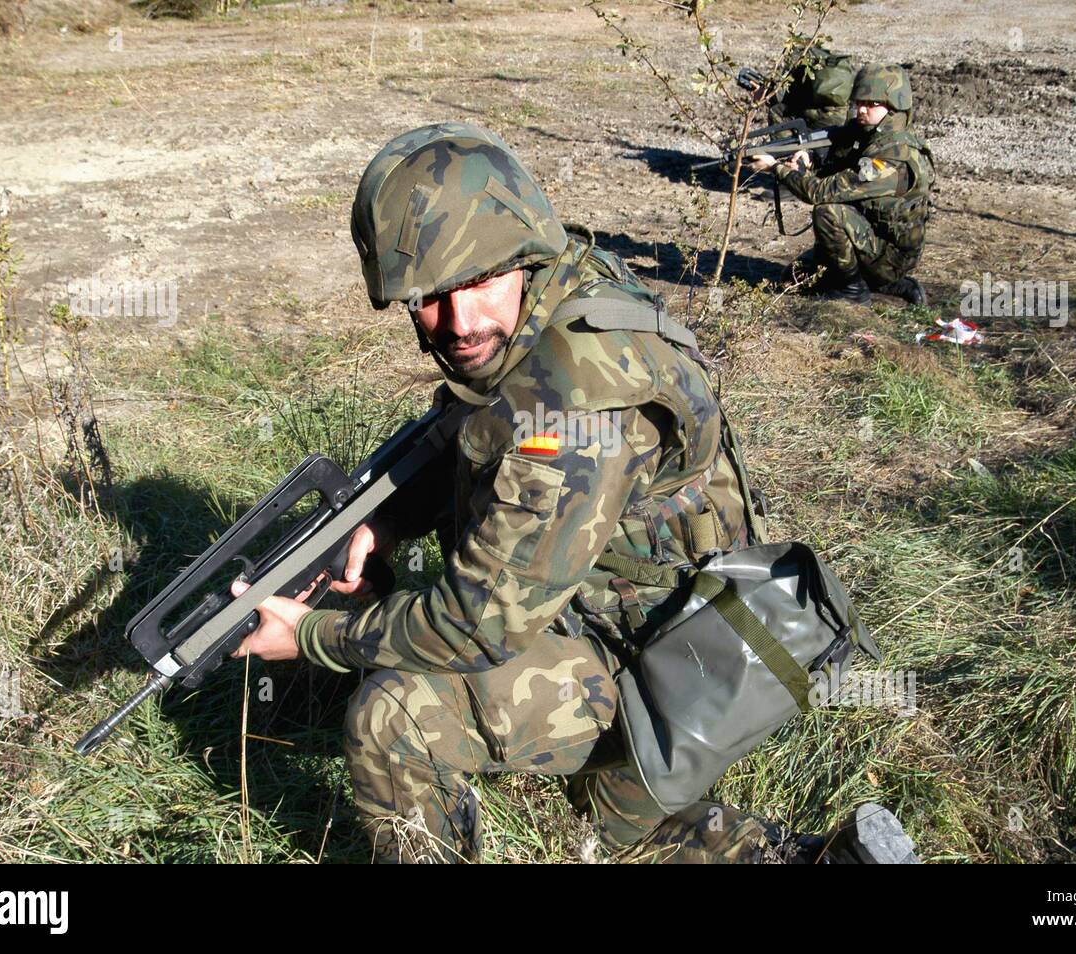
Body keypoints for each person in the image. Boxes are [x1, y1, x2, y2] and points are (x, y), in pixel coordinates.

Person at [231, 122, 917, 864]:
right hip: (648, 612)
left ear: (519, 253)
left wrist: (307, 636)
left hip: (668, 658)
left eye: (479, 282)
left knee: (395, 716)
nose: (460, 323)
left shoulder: (576, 409)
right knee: (619, 824)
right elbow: (478, 426)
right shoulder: (563, 284)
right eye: (430, 296)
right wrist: (392, 520)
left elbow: (475, 627)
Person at [748, 64, 934, 307]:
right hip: (872, 236)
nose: (862, 110)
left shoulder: (892, 157)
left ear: (893, 106)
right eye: (859, 102)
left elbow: (819, 192)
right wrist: (810, 158)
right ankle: (881, 282)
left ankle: (854, 290)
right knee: (794, 278)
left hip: (891, 255)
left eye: (872, 103)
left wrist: (776, 168)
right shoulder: (870, 135)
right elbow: (838, 155)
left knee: (827, 212)